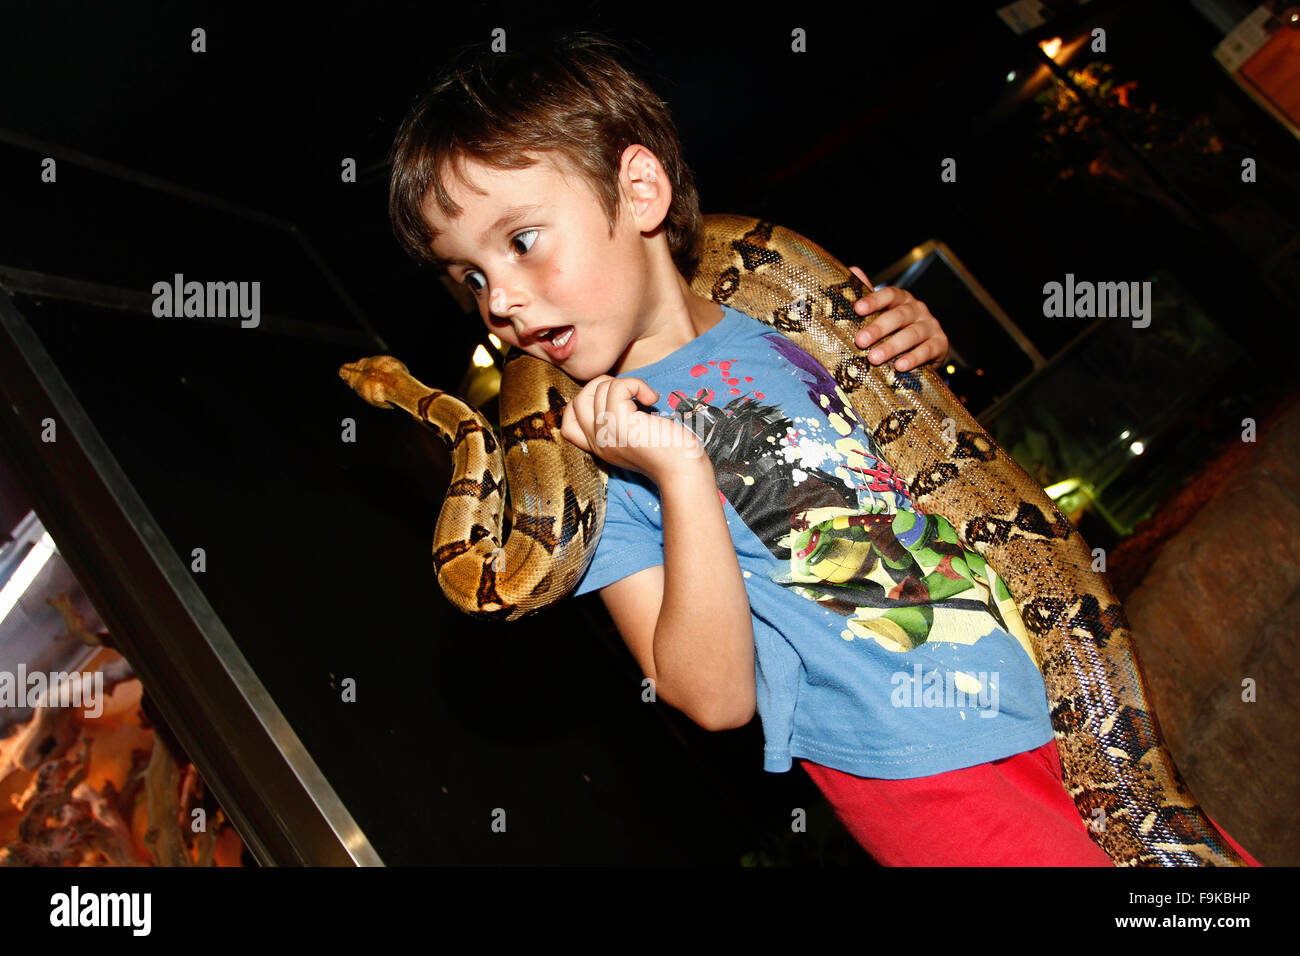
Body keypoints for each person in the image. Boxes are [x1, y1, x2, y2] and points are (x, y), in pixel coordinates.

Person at [386, 32, 1260, 867]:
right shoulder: (591, 458)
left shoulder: (790, 313)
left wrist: (922, 358)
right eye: (470, 277)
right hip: (924, 778)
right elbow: (713, 698)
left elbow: (921, 469)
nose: (497, 299)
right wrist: (680, 471)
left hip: (1057, 702)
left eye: (520, 241)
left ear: (641, 192)